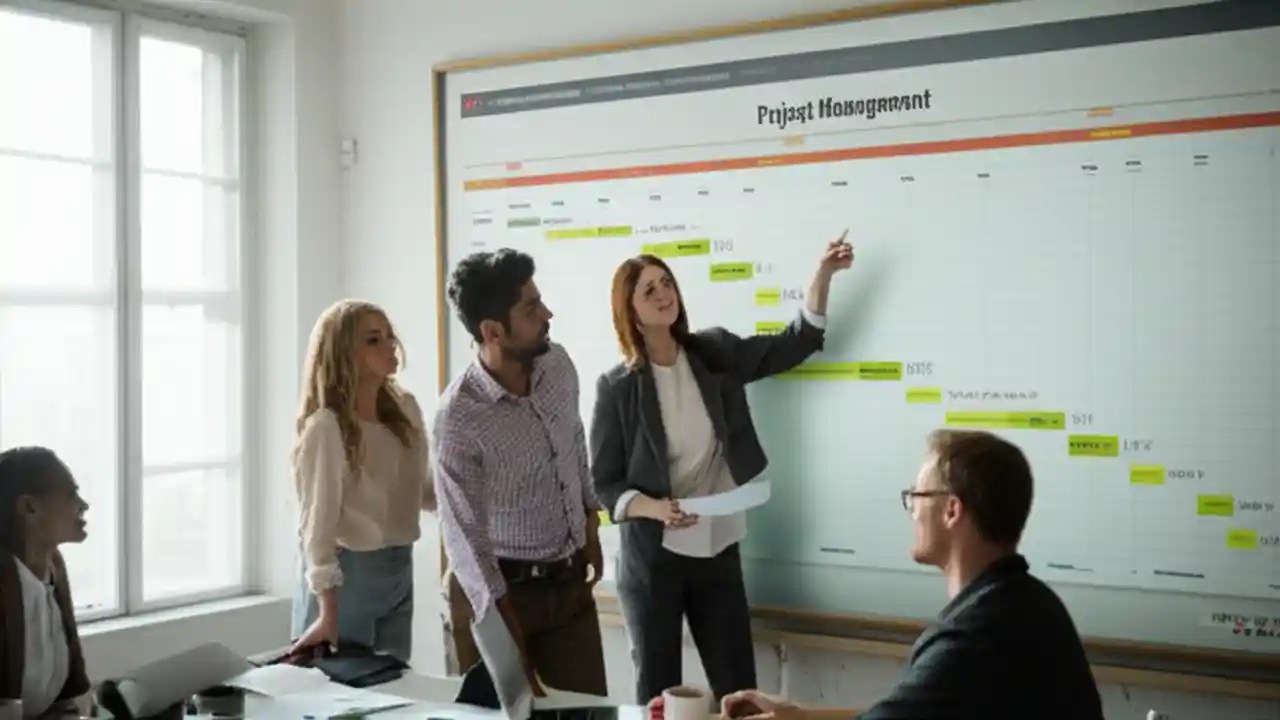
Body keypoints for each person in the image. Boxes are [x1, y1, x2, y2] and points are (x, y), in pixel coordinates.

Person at [589, 233, 855, 704]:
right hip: (654, 557)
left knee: (739, 691)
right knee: (660, 696)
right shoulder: (617, 387)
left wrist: (823, 275)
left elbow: (792, 345)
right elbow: (604, 483)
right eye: (648, 290)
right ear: (628, 309)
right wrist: (654, 507)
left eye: (666, 282)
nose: (663, 294)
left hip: (717, 547)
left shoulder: (712, 352)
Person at [719, 429, 1105, 719]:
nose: (913, 511)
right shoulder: (1021, 601)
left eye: (918, 497)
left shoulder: (977, 636)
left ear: (952, 510)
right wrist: (798, 716)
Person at [434, 248, 607, 697]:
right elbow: (465, 541)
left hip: (569, 588)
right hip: (500, 595)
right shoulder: (459, 418)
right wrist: (508, 643)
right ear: (492, 332)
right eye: (531, 309)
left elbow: (574, 442)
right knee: (506, 714)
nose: (547, 315)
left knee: (587, 711)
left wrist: (590, 523)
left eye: (540, 301)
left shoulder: (558, 365)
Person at [290, 299, 436, 663]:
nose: (390, 345)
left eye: (389, 335)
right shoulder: (326, 426)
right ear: (343, 354)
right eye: (373, 339)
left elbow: (422, 492)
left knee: (392, 689)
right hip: (347, 577)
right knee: (336, 696)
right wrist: (328, 611)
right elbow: (316, 528)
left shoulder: (405, 411)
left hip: (398, 568)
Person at [0, 446, 91, 718]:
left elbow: (63, 700)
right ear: (29, 507)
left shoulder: (54, 567)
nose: (83, 505)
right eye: (71, 494)